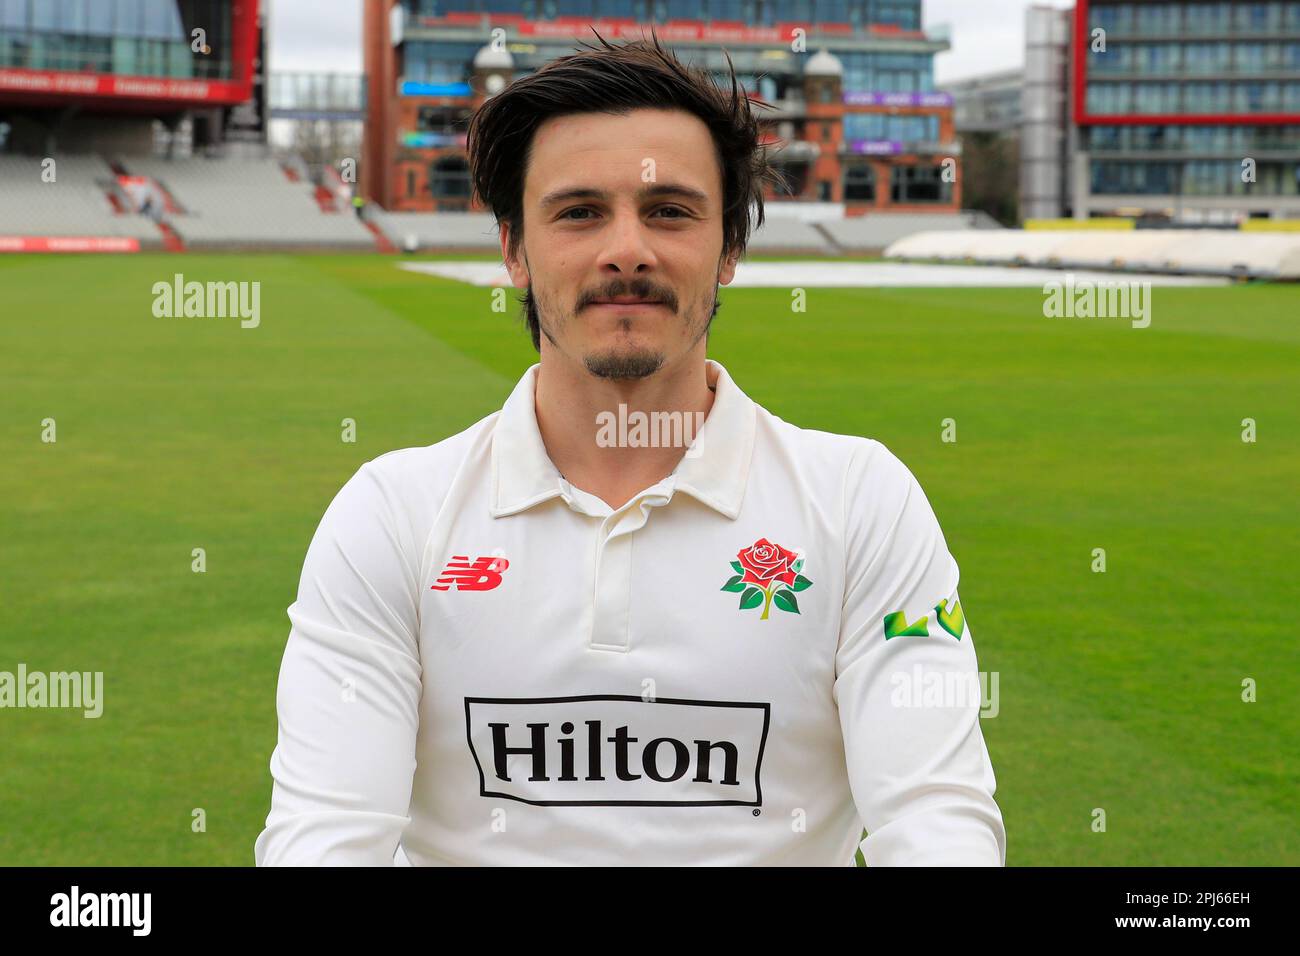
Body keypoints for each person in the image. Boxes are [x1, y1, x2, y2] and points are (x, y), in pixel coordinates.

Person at [254, 31, 1005, 866]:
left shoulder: (862, 502)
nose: (626, 250)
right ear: (514, 250)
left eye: (669, 212)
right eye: (579, 213)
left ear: (728, 250)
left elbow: (936, 821)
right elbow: (324, 838)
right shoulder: (392, 516)